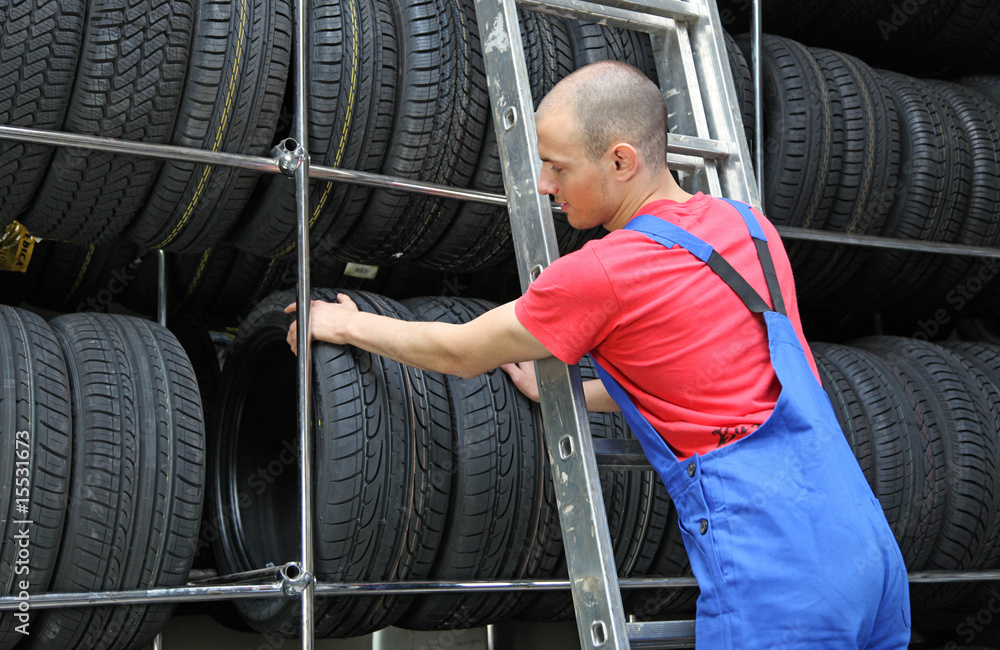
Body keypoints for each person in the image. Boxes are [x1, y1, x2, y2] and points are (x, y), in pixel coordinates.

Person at [286, 60, 911, 648]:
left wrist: (346, 324)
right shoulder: (747, 225)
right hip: (865, 548)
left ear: (620, 160)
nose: (542, 184)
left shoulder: (602, 273)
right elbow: (700, 368)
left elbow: (459, 351)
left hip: (778, 577)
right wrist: (563, 391)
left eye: (557, 167)